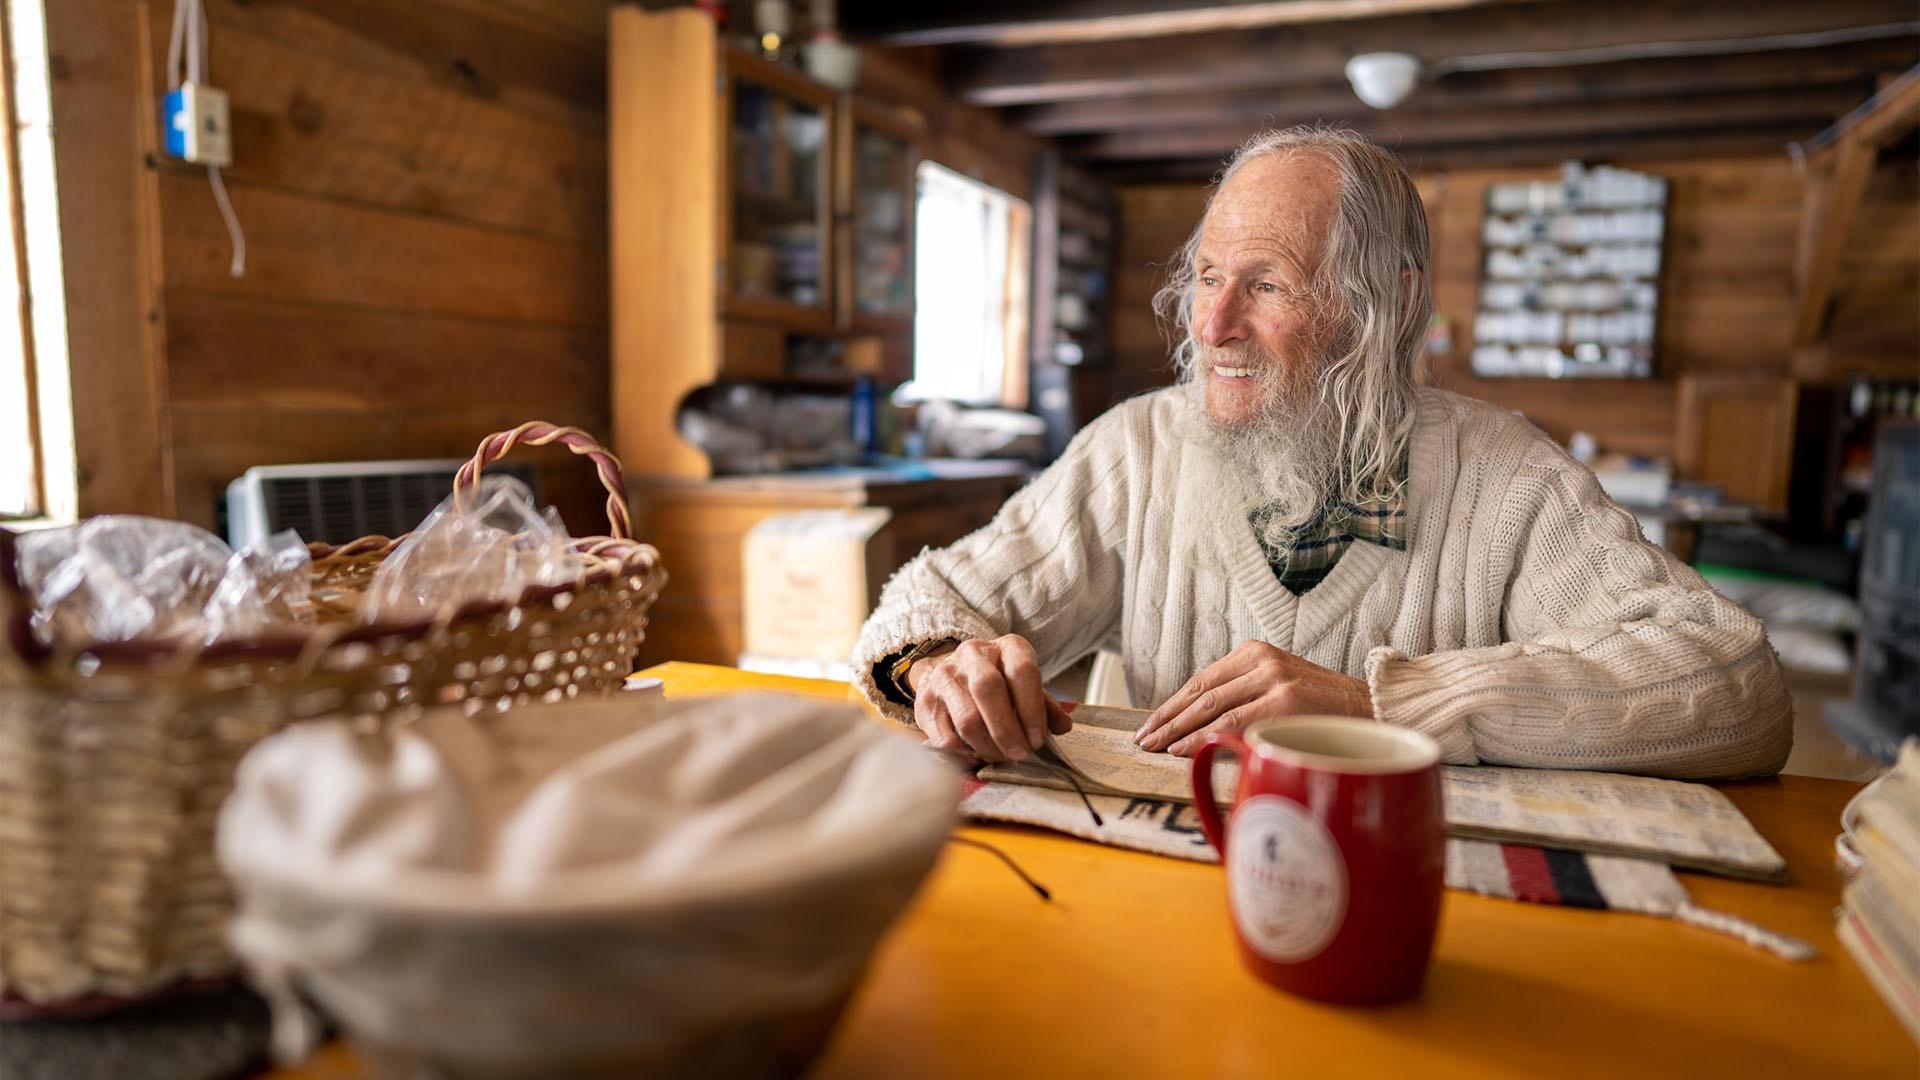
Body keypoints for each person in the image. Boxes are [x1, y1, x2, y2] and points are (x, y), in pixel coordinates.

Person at [852, 126, 1791, 781]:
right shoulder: (1136, 450)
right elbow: (928, 605)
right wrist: (943, 664)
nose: (1213, 325)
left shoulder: (1507, 480)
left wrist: (1383, 705)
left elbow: (1734, 685)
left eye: (1267, 284)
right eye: (1208, 277)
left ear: (1392, 299)